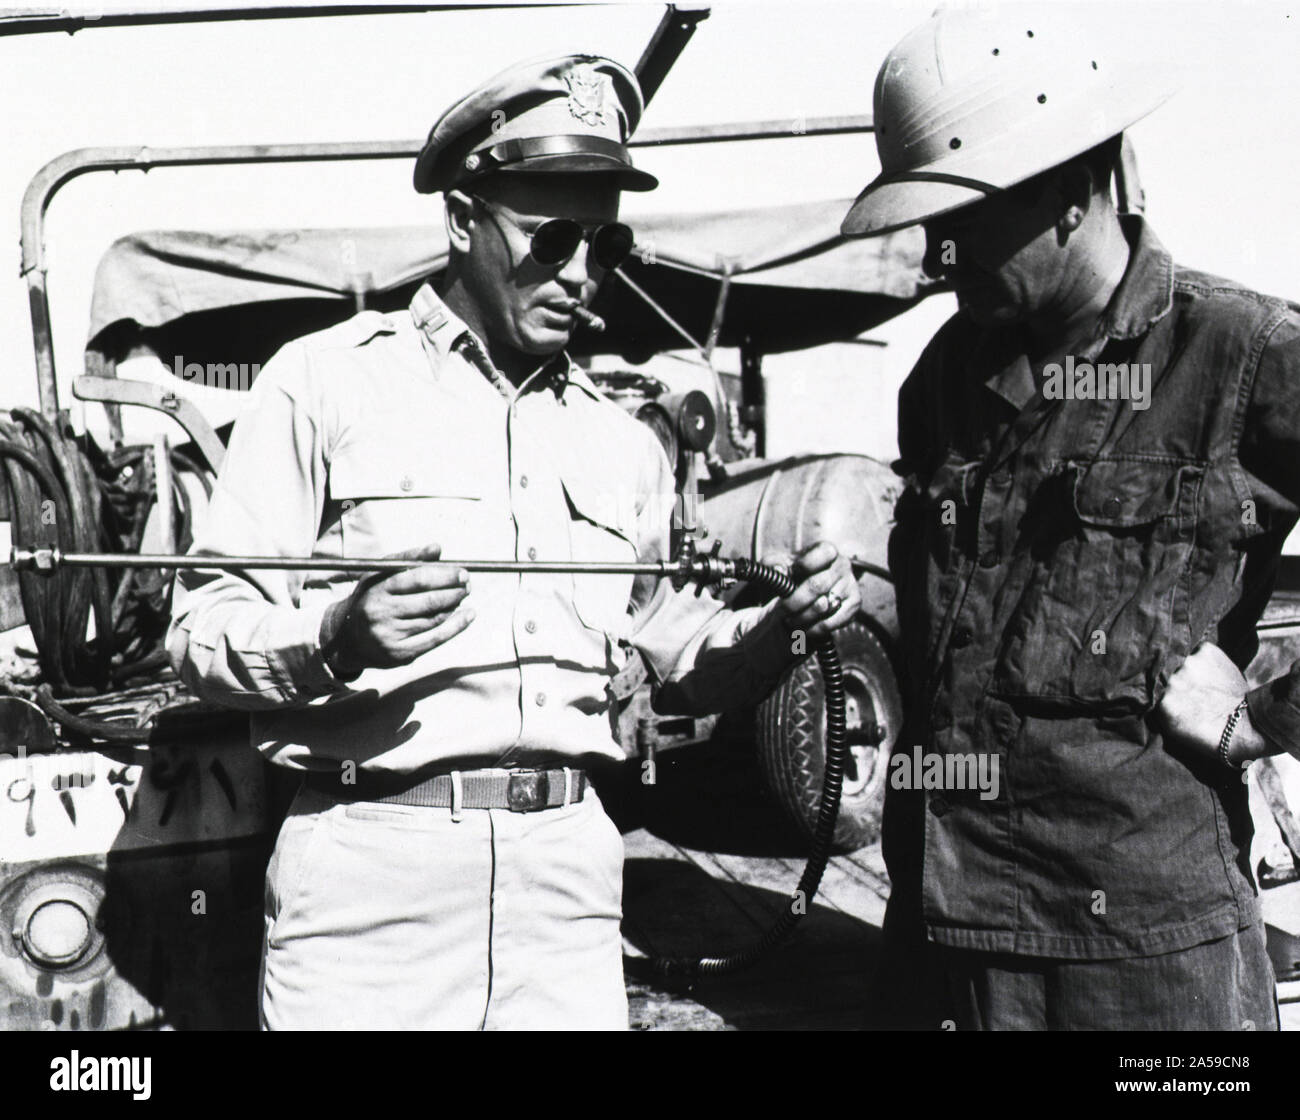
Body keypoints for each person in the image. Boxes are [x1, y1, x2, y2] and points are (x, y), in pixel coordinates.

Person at [167, 52, 859, 1031]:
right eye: (552, 239)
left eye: (605, 248)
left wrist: (779, 634)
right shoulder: (324, 384)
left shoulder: (620, 439)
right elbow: (198, 631)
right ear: (461, 219)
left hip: (569, 883)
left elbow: (669, 657)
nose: (580, 276)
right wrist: (335, 638)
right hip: (374, 888)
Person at [841, 7, 1300, 1030]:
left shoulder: (1237, 354)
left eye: (962, 217)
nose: (937, 251)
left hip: (1141, 972)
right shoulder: (944, 383)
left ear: (1071, 190)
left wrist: (1266, 713)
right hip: (940, 948)